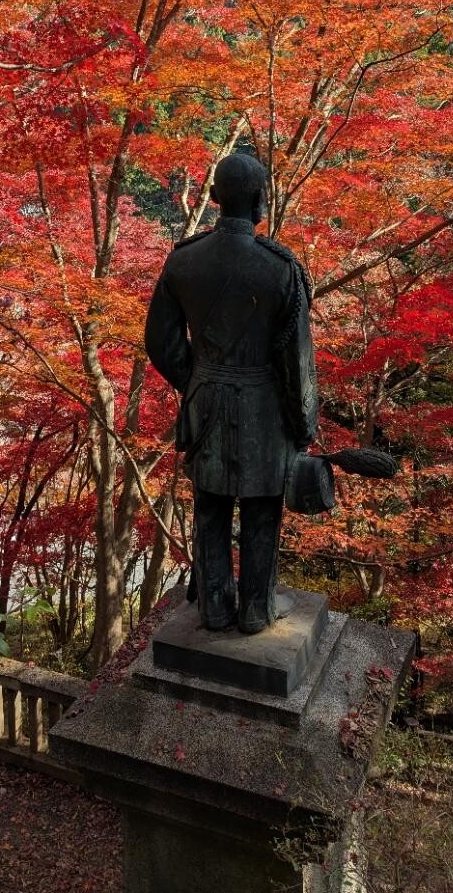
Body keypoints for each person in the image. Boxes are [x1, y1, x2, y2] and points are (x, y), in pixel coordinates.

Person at [144, 152, 317, 634]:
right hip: (266, 406)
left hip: (206, 407)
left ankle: (215, 605)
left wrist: (197, 382)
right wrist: (304, 426)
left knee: (210, 505)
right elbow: (297, 361)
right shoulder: (280, 268)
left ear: (216, 198)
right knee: (262, 508)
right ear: (260, 199)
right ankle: (257, 607)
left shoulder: (183, 260)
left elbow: (160, 342)